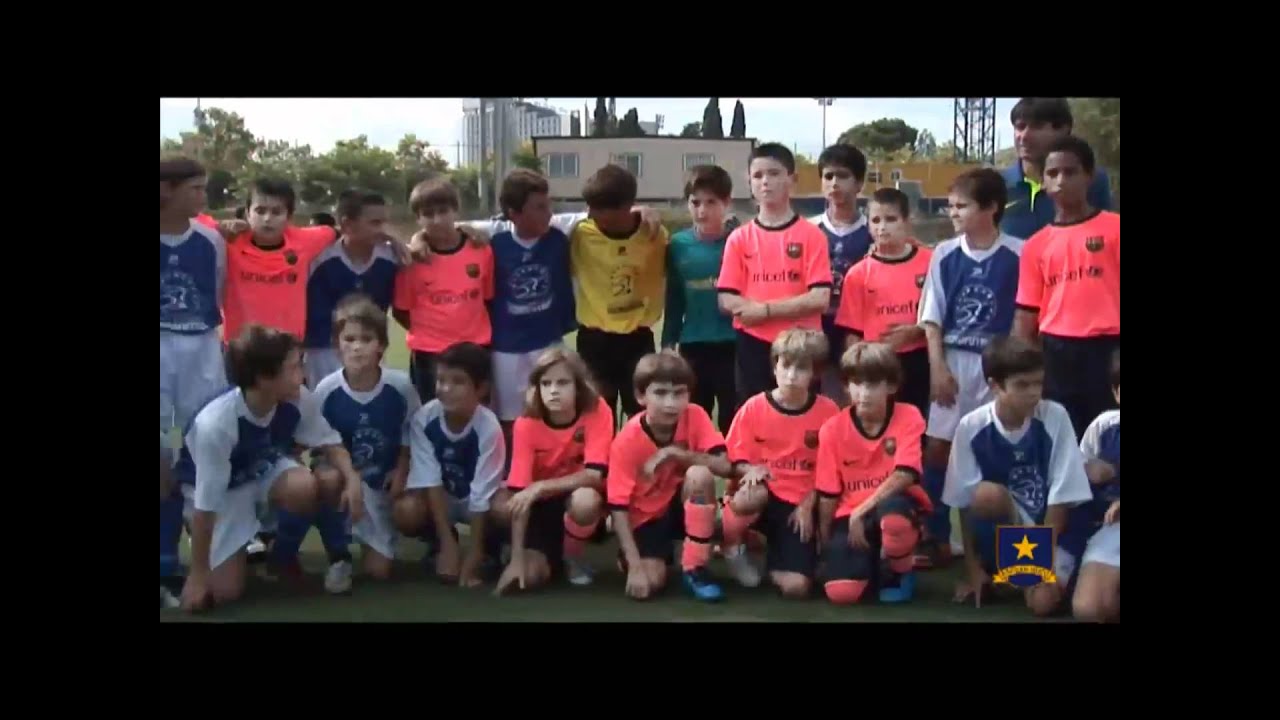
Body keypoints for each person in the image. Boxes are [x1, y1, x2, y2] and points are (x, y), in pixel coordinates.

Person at [173, 325, 365, 612]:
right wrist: (198, 575)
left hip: (263, 471)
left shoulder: (297, 398)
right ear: (264, 378)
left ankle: (281, 555)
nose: (302, 374)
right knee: (225, 591)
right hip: (222, 493)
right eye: (293, 367)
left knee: (307, 485)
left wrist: (352, 480)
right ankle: (225, 549)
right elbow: (206, 504)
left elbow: (331, 443)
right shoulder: (216, 425)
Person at [916, 168, 1024, 566]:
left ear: (991, 208)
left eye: (962, 205)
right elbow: (932, 318)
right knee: (938, 451)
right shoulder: (944, 253)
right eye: (951, 204)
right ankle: (936, 536)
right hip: (954, 363)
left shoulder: (1020, 252)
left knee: (1003, 450)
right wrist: (937, 368)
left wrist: (1012, 371)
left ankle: (1004, 548)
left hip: (998, 366)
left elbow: (1024, 316)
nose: (953, 212)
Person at [941, 336, 1093, 616]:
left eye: (1038, 383)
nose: (1034, 393)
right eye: (1023, 385)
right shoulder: (971, 427)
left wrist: (1039, 563)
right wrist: (973, 571)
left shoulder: (1055, 416)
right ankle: (1001, 571)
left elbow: (1061, 501)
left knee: (1042, 604)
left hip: (1055, 528)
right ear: (995, 386)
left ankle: (1031, 575)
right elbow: (963, 504)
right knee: (984, 495)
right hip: (1008, 527)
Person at [308, 296, 420, 591]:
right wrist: (347, 479)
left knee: (379, 572)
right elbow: (317, 446)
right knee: (326, 477)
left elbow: (412, 432)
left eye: (367, 339)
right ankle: (338, 551)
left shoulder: (400, 386)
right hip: (344, 483)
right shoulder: (326, 390)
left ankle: (394, 533)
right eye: (349, 339)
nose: (357, 347)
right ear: (337, 344)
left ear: (382, 345)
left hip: (381, 483)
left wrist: (402, 470)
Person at [1013, 136, 1120, 440]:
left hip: (1110, 349)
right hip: (1057, 353)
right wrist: (1019, 364)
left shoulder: (1114, 229)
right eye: (1052, 174)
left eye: (1070, 172)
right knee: (1063, 438)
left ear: (1089, 175)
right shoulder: (1036, 245)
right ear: (1043, 181)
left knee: (1110, 438)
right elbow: (1026, 312)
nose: (1061, 181)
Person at [720, 328, 840, 597]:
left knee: (796, 588)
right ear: (774, 367)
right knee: (750, 496)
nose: (791, 375)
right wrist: (749, 469)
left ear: (816, 373)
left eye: (801, 368)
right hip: (764, 493)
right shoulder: (754, 407)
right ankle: (732, 545)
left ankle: (775, 549)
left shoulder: (828, 411)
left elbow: (832, 472)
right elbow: (732, 458)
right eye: (785, 365)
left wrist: (809, 504)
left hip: (799, 504)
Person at [607, 351, 732, 601]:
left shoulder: (695, 415)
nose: (671, 403)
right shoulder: (626, 441)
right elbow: (618, 507)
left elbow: (724, 466)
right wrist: (635, 567)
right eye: (661, 393)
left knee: (699, 474)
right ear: (641, 396)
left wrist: (675, 454)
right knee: (651, 583)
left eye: (679, 393)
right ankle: (637, 555)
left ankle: (695, 567)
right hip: (645, 516)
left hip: (679, 503)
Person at [717, 143, 832, 408]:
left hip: (802, 345)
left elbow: (820, 297)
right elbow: (727, 298)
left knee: (802, 416)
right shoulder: (739, 238)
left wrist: (766, 311)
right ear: (749, 181)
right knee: (754, 416)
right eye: (758, 176)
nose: (765, 182)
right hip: (753, 345)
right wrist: (751, 312)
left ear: (792, 179)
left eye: (774, 174)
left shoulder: (811, 235)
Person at [815, 342, 931, 605]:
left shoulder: (908, 415)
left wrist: (862, 509)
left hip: (893, 505)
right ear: (846, 386)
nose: (864, 393)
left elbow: (905, 474)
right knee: (841, 593)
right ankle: (874, 566)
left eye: (872, 384)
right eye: (856, 383)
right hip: (850, 515)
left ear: (891, 386)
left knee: (894, 519)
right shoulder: (832, 429)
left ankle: (901, 571)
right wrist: (826, 544)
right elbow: (828, 493)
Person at [160, 156, 227, 606]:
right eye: (196, 189)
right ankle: (165, 559)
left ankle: (207, 547)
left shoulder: (210, 239)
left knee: (205, 451)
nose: (204, 198)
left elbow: (216, 294)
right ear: (167, 190)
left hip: (202, 349)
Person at [494, 348, 613, 593]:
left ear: (578, 386)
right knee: (500, 506)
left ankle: (572, 557)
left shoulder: (597, 410)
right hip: (539, 506)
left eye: (562, 382)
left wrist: (540, 486)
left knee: (586, 500)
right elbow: (519, 494)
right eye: (545, 383)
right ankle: (517, 553)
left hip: (576, 499)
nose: (553, 390)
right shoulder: (526, 424)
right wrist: (519, 560)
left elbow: (594, 474)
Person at [478, 169, 577, 444]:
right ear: (514, 212)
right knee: (510, 421)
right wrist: (419, 238)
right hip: (506, 348)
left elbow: (601, 211)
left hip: (549, 343)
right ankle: (513, 477)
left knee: (556, 411)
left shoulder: (559, 233)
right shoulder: (494, 239)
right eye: (539, 207)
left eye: (549, 205)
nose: (549, 213)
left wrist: (644, 211)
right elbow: (451, 229)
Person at [398, 342, 507, 588]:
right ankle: (441, 543)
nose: (445, 389)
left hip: (476, 502)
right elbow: (430, 479)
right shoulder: (424, 419)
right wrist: (448, 544)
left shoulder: (488, 427)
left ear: (481, 389)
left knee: (506, 507)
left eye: (458, 382)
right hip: (442, 499)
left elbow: (481, 492)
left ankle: (488, 549)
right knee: (406, 510)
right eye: (441, 380)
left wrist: (474, 554)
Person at [570, 165, 670, 424]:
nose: (589, 213)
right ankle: (600, 465)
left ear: (626, 206)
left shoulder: (654, 236)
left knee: (642, 415)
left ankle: (636, 462)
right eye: (589, 205)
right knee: (596, 415)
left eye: (598, 207)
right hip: (595, 341)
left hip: (637, 340)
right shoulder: (580, 234)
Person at [393, 180, 496, 404]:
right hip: (429, 353)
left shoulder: (480, 249)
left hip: (474, 348)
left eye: (443, 211)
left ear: (455, 210)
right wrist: (432, 332)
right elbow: (401, 310)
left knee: (477, 414)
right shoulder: (412, 260)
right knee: (430, 416)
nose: (437, 220)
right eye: (428, 214)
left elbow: (487, 299)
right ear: (418, 219)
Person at [835, 188, 933, 418]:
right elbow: (852, 332)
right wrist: (855, 374)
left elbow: (943, 315)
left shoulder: (931, 262)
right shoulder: (858, 273)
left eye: (891, 219)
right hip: (876, 366)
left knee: (916, 425)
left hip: (919, 360)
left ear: (908, 222)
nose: (882, 227)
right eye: (875, 220)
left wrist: (917, 330)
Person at [662, 164, 739, 433]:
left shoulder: (739, 242)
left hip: (734, 344)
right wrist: (668, 342)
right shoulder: (677, 245)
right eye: (695, 202)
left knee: (733, 418)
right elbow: (674, 296)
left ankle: (734, 473)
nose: (702, 210)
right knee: (694, 420)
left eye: (711, 202)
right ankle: (695, 474)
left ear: (726, 202)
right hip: (694, 344)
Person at [221, 179, 344, 342]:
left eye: (276, 212)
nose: (267, 218)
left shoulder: (305, 241)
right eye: (260, 211)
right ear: (247, 213)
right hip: (240, 348)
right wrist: (221, 226)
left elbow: (339, 231)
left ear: (289, 216)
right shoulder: (229, 241)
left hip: (287, 349)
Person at [303, 190, 400, 388]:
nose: (383, 230)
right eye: (375, 223)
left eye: (384, 222)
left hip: (371, 350)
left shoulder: (391, 257)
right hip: (324, 351)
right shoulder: (318, 258)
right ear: (347, 224)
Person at [810, 144, 873, 403]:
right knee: (814, 399)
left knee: (854, 399)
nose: (834, 183)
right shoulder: (808, 229)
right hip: (816, 326)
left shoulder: (874, 230)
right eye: (828, 176)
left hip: (858, 328)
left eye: (843, 176)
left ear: (859, 183)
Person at [1001, 98, 1112, 240]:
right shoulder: (996, 186)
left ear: (1063, 130)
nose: (1024, 136)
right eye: (1020, 127)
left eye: (1037, 126)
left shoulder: (1092, 180)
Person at [1065, 348, 1120, 623]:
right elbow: (1073, 479)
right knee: (1088, 609)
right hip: (1100, 525)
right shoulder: (1104, 426)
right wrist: (1086, 471)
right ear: (1116, 392)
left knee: (1098, 607)